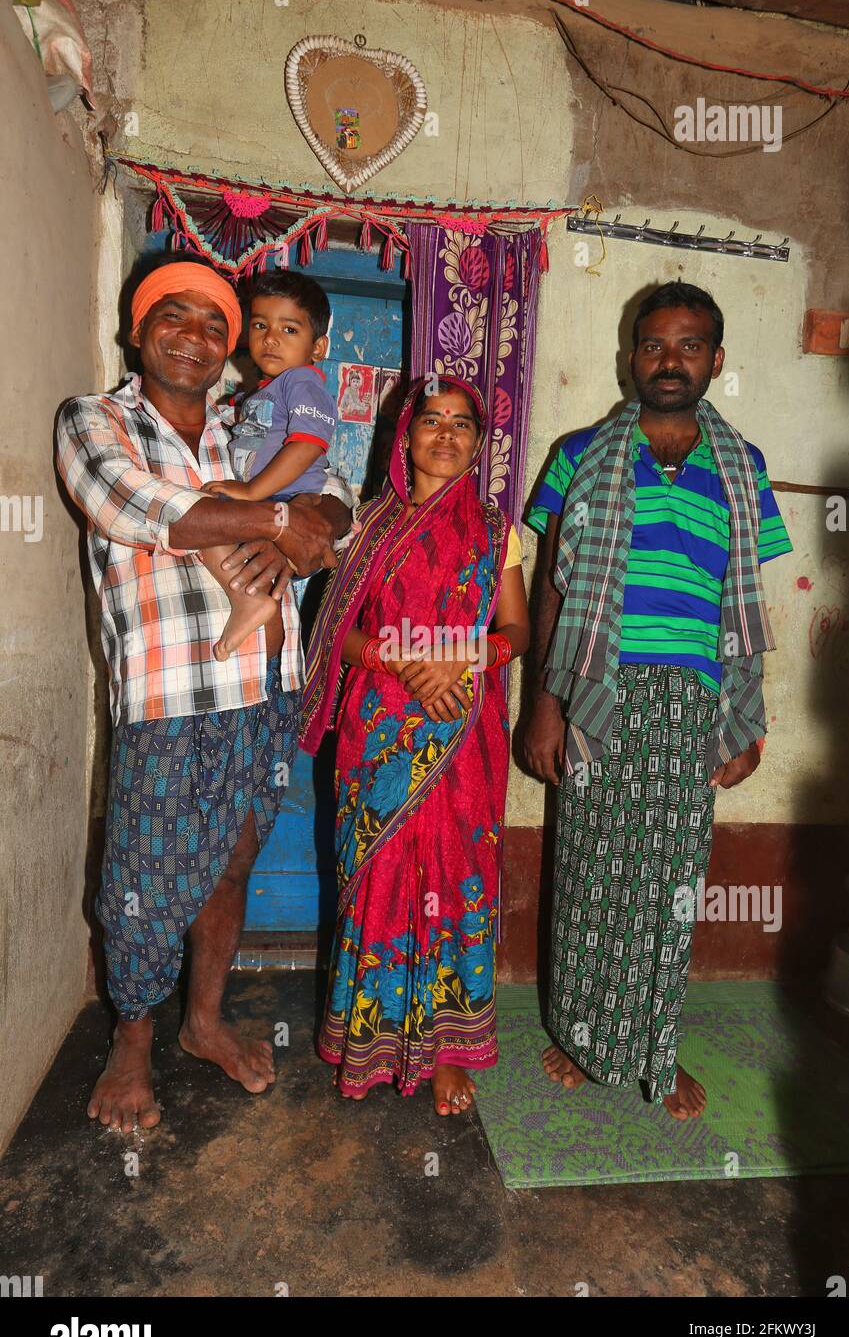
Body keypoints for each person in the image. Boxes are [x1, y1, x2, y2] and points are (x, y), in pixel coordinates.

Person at [55, 257, 352, 1132]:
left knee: (232, 861)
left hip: (265, 690)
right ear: (137, 330)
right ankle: (133, 1044)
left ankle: (203, 1021)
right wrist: (273, 521)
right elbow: (132, 507)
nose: (194, 335)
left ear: (232, 346)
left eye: (214, 323)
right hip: (168, 699)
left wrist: (318, 522)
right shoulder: (94, 418)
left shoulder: (247, 422)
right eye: (172, 316)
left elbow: (334, 490)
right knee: (144, 883)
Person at [522, 281, 792, 1119]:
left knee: (670, 882)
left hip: (693, 699)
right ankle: (581, 1034)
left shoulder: (742, 468)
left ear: (717, 360)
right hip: (597, 687)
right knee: (589, 873)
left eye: (688, 346)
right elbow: (550, 587)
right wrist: (543, 703)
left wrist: (748, 721)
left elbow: (744, 602)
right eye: (653, 345)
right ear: (628, 357)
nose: (669, 361)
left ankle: (654, 1049)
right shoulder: (578, 453)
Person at [301, 375, 529, 1114]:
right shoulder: (367, 525)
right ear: (405, 434)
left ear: (477, 443)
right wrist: (405, 660)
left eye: (464, 424)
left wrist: (465, 654)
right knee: (376, 872)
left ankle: (446, 1053)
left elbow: (517, 632)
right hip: (382, 728)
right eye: (431, 419)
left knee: (458, 871)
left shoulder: (498, 531)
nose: (447, 434)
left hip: (465, 726)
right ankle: (369, 1038)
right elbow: (337, 632)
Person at [199, 270, 340, 660]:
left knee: (207, 519)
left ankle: (253, 614)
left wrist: (251, 492)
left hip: (284, 498)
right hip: (273, 500)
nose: (271, 337)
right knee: (263, 576)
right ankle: (269, 648)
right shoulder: (263, 392)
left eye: (289, 329)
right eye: (260, 324)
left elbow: (307, 446)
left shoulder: (302, 382)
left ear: (318, 346)